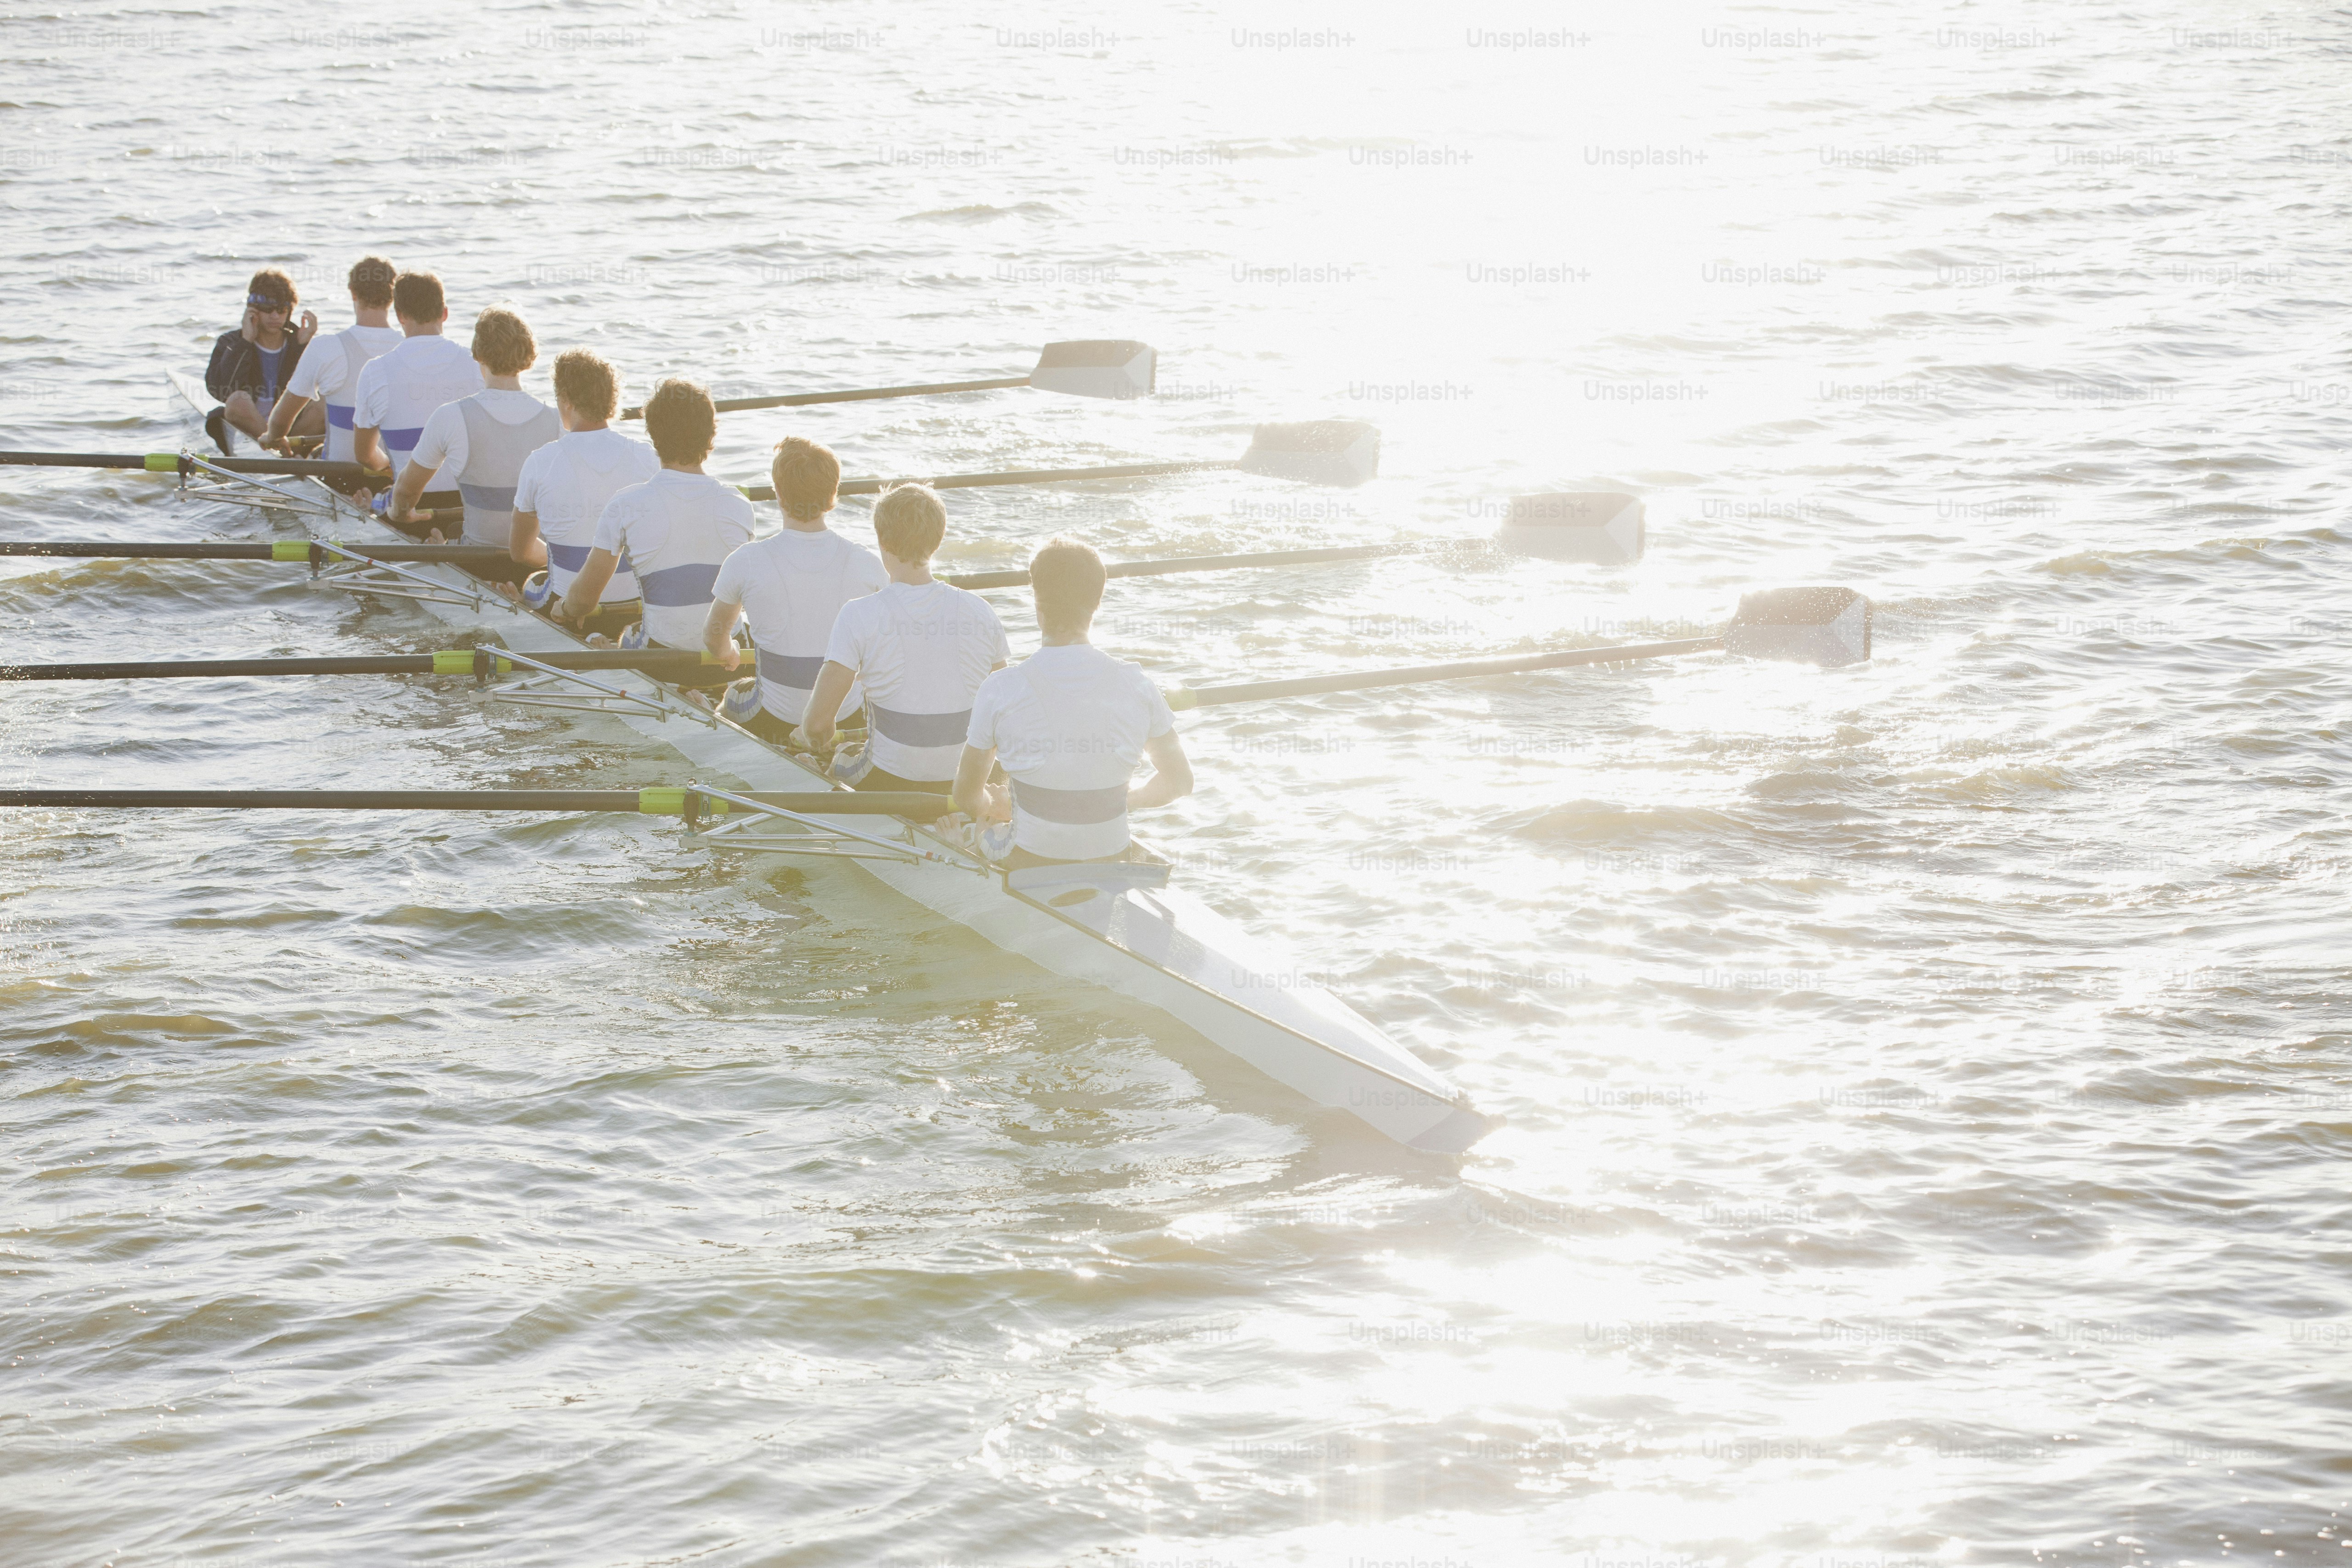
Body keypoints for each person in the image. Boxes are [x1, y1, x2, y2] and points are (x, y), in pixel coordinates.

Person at [955, 540, 1192, 867]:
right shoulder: (1139, 684)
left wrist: (992, 805)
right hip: (1112, 855)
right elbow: (1180, 782)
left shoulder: (1000, 687)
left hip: (1028, 859)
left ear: (1037, 605)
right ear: (1097, 604)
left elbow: (965, 797)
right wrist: (1125, 800)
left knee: (978, 826)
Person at [793, 483, 1006, 792]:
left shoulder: (858, 615)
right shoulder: (981, 611)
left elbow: (816, 725)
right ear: (938, 539)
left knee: (838, 758)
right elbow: (1005, 713)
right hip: (969, 782)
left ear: (882, 540)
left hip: (888, 779)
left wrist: (817, 739)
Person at [698, 437, 886, 739]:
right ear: (833, 494)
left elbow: (712, 636)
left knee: (734, 692)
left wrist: (730, 651)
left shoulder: (746, 560)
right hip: (847, 717)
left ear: (778, 493)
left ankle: (717, 728)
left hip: (774, 718)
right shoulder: (868, 564)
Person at [562, 379, 750, 658]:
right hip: (730, 652)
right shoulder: (739, 505)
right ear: (711, 434)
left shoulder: (626, 505)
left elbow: (585, 600)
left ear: (653, 434)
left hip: (661, 655)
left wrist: (565, 610)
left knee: (625, 633)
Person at [386, 306, 558, 565]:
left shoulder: (450, 416)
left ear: (477, 354)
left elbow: (406, 491)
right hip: (538, 561)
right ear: (529, 355)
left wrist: (401, 515)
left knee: (450, 532)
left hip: (478, 560)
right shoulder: (558, 421)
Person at [506, 349, 659, 636]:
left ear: (565, 401)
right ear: (612, 403)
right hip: (635, 608)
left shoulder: (541, 461)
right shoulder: (647, 457)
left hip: (568, 609)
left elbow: (519, 551)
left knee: (530, 582)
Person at [351, 271, 481, 524]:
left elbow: (364, 455)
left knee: (367, 497)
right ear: (445, 313)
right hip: (469, 508)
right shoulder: (479, 365)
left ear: (400, 316)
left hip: (409, 507)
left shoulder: (376, 371)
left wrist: (391, 466)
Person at [263, 256, 401, 465]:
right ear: (393, 297)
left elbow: (282, 418)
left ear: (353, 292)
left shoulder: (325, 347)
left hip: (341, 476)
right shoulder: (410, 347)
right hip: (397, 477)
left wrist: (274, 437)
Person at [201, 268, 315, 453]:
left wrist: (305, 346)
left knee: (323, 403)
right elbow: (220, 391)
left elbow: (316, 389)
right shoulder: (230, 343)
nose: (275, 316)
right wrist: (245, 343)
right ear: (253, 310)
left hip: (291, 428)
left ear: (290, 311)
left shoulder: (299, 342)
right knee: (237, 400)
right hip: (251, 426)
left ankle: (291, 452)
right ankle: (280, 449)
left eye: (281, 310)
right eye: (268, 310)